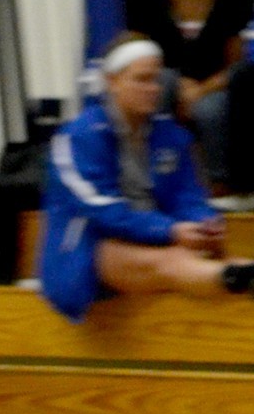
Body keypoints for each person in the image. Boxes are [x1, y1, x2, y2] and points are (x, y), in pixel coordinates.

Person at [40, 33, 254, 323]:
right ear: (112, 81)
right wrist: (170, 230)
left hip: (155, 240)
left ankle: (237, 276)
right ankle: (234, 277)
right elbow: (103, 210)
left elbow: (187, 195)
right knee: (170, 262)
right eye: (141, 80)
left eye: (156, 80)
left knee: (191, 256)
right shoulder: (79, 137)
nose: (152, 89)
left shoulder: (170, 135)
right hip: (92, 249)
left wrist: (203, 223)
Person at [125, 0, 254, 191]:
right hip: (160, 76)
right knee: (161, 87)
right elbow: (138, 51)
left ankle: (220, 186)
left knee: (213, 109)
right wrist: (180, 85)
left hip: (212, 83)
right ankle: (146, 181)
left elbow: (234, 62)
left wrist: (201, 90)